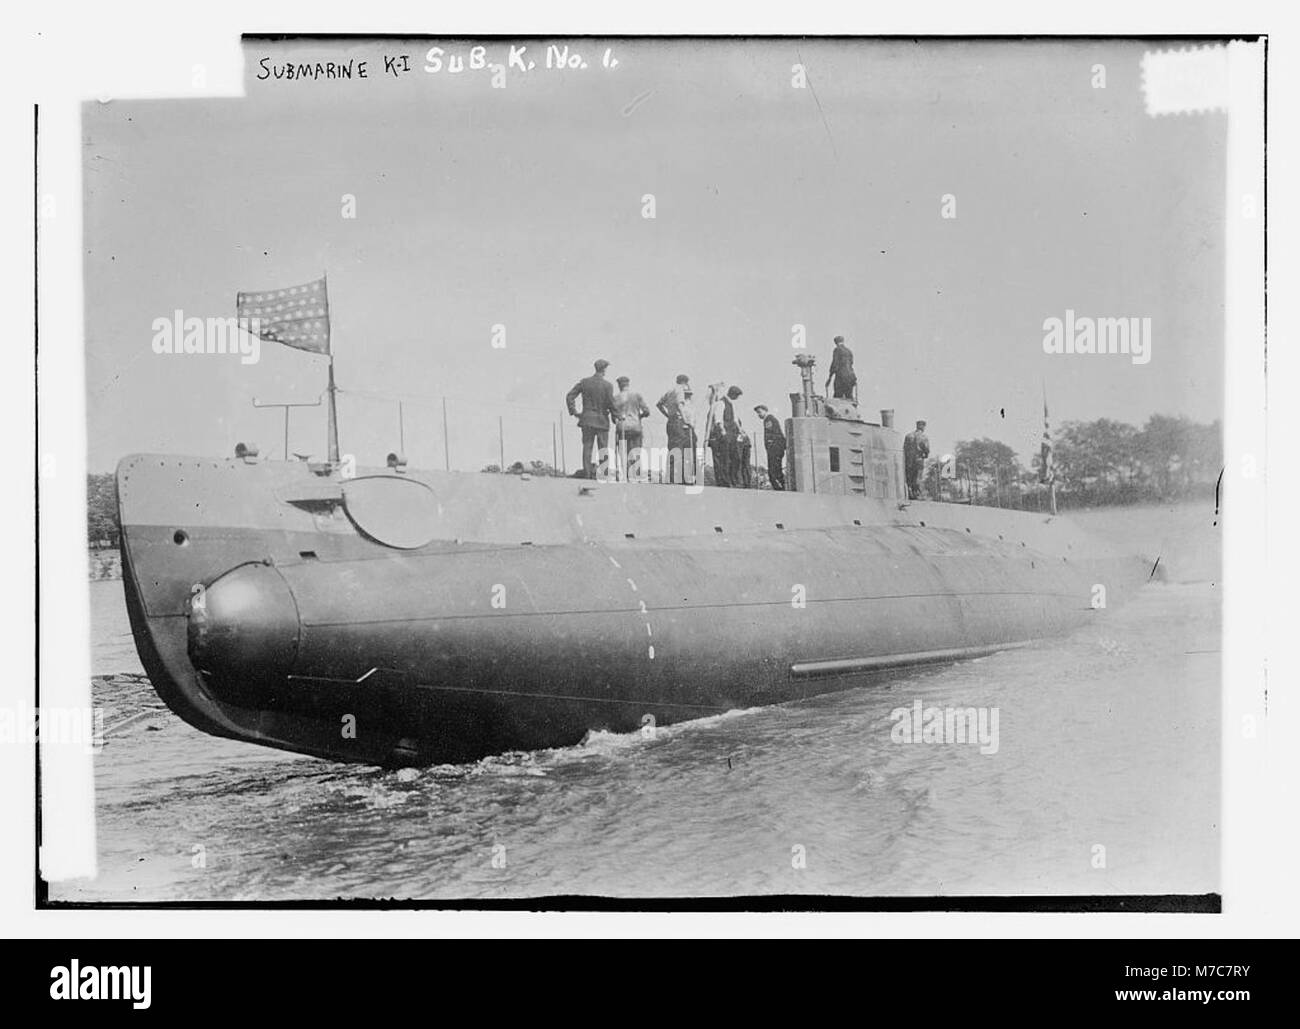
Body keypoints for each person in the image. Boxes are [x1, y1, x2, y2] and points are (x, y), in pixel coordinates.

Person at [566, 359, 617, 479]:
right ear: (604, 370)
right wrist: (617, 416)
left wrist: (574, 412)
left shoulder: (584, 382)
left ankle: (587, 474)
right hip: (602, 421)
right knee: (603, 449)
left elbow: (570, 396)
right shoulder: (608, 385)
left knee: (587, 447)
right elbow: (611, 404)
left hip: (587, 420)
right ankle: (603, 474)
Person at [658, 374, 696, 483]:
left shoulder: (669, 391)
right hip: (678, 421)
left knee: (672, 448)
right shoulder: (679, 390)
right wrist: (686, 420)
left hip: (670, 421)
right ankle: (679, 477)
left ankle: (671, 477)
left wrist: (668, 415)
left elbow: (659, 404)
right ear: (685, 382)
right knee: (680, 449)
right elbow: (680, 405)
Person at [612, 376, 651, 480]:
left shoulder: (616, 398)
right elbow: (647, 411)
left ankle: (626, 475)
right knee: (636, 451)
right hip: (635, 426)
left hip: (622, 427)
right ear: (628, 384)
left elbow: (613, 415)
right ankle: (635, 474)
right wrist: (639, 416)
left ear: (619, 385)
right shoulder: (636, 396)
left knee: (623, 452)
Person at [755, 404, 786, 490]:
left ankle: (780, 488)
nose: (759, 415)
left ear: (765, 411)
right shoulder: (770, 419)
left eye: (759, 412)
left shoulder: (769, 419)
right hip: (776, 448)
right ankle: (781, 486)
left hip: (774, 448)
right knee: (776, 470)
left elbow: (771, 435)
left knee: (773, 471)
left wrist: (770, 446)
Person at [903, 419, 930, 499]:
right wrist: (925, 455)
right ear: (923, 427)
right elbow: (927, 450)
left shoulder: (908, 436)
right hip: (919, 460)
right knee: (918, 478)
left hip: (909, 461)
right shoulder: (924, 437)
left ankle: (909, 493)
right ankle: (917, 495)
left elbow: (904, 448)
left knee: (909, 479)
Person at [825, 335, 857, 400]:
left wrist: (830, 377)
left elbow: (835, 364)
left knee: (837, 398)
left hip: (841, 377)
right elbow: (851, 363)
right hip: (851, 378)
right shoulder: (849, 351)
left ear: (835, 343)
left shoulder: (837, 350)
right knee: (849, 398)